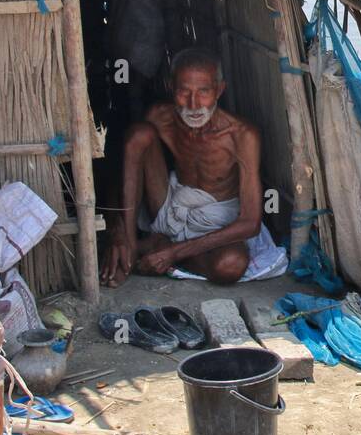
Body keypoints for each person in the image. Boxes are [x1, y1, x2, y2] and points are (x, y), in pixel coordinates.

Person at [100, 48, 287, 287]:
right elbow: (125, 170)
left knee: (230, 265)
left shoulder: (242, 135)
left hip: (217, 223)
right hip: (171, 206)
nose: (194, 104)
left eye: (204, 92)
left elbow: (250, 223)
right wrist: (118, 231)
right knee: (138, 134)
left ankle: (163, 250)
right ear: (171, 87)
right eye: (184, 92)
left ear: (219, 90)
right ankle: (131, 248)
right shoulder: (161, 117)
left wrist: (173, 253)